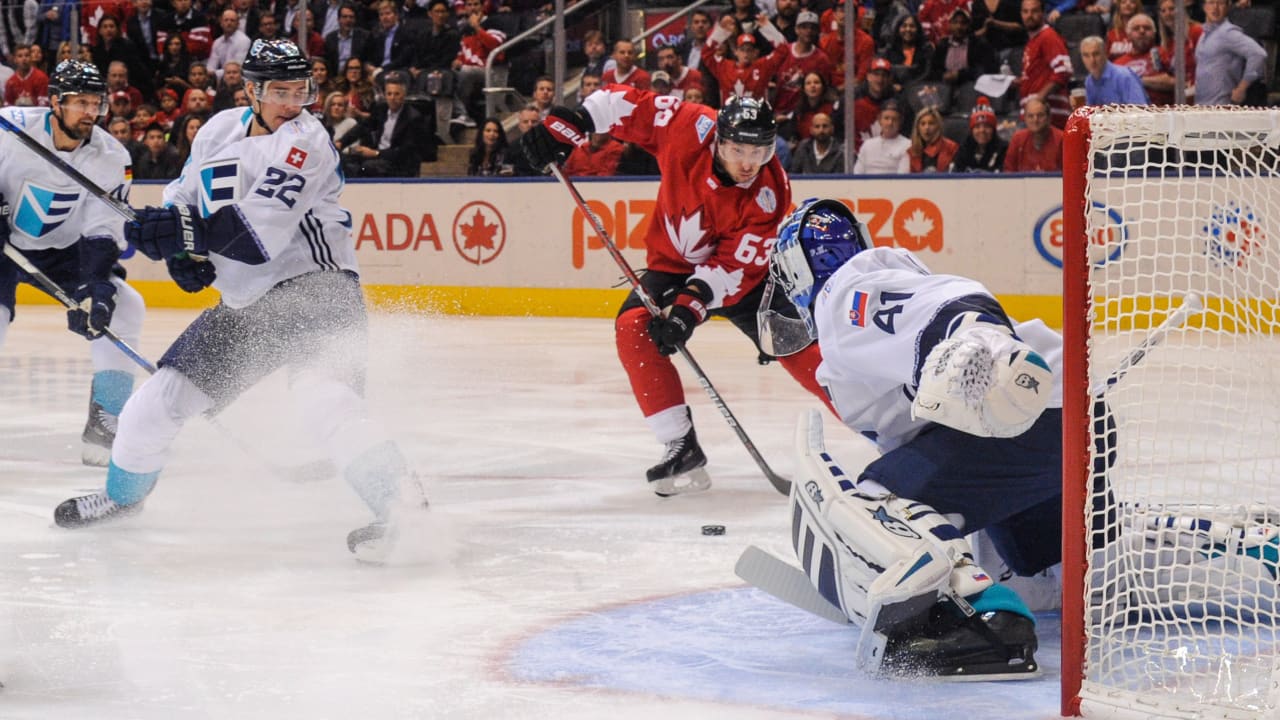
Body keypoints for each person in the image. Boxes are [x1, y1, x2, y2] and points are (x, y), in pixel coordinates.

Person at [52, 39, 428, 563]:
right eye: (280, 92)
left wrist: (184, 234)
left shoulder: (306, 142)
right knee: (152, 406)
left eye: (301, 91)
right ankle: (123, 497)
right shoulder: (218, 129)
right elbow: (183, 197)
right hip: (246, 304)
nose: (292, 103)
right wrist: (181, 253)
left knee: (326, 401)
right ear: (251, 90)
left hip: (315, 291)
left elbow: (257, 236)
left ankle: (404, 511)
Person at [758, 197, 1062, 678]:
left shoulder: (844, 292)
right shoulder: (865, 303)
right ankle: (1097, 568)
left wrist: (980, 341)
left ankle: (979, 628)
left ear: (796, 270)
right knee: (1029, 562)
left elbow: (950, 306)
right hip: (1065, 431)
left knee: (879, 502)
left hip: (1029, 418)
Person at [521, 88, 831, 496]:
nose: (748, 163)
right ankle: (680, 444)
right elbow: (626, 105)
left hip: (754, 281)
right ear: (718, 140)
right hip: (672, 265)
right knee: (633, 327)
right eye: (737, 150)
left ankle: (888, 437)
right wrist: (573, 123)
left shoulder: (771, 192)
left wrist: (689, 308)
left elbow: (734, 268)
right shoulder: (689, 126)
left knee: (803, 350)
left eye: (759, 152)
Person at [0, 60, 142, 467]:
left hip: (64, 252)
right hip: (4, 244)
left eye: (96, 103)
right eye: (81, 102)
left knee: (126, 307)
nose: (90, 112)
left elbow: (103, 226)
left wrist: (96, 285)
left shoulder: (112, 156)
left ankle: (104, 424)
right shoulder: (9, 128)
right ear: (55, 102)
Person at [1193, 0, 1267, 106]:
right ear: (1204, 6)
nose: (1215, 8)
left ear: (1228, 7)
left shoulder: (1228, 32)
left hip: (1221, 106)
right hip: (1201, 104)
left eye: (1220, 3)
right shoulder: (1203, 35)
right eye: (1211, 2)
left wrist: (1242, 87)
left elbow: (1258, 54)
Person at [1016, 0, 1072, 129]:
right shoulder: (1033, 41)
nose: (1029, 15)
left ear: (1043, 12)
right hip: (1034, 115)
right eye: (1025, 11)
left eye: (1034, 11)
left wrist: (1038, 99)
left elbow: (1064, 70)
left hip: (1048, 116)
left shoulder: (1048, 36)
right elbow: (1040, 76)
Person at [1080, 35, 1148, 105]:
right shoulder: (1089, 81)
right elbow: (1090, 110)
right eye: (1086, 55)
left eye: (1096, 54)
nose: (1092, 60)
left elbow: (1140, 108)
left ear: (1105, 53)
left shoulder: (1124, 76)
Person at [1004, 96, 1062, 172]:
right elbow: (1008, 172)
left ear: (1049, 118)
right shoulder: (1018, 139)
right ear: (1024, 119)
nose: (1035, 120)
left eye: (1040, 115)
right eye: (1030, 116)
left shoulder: (1061, 139)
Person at [949, 98, 1007, 172]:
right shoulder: (963, 148)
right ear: (971, 130)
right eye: (977, 127)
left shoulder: (1003, 149)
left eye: (987, 126)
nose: (982, 130)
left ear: (993, 130)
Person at [853, 100, 910, 173]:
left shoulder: (907, 145)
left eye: (894, 119)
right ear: (880, 120)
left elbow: (903, 176)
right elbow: (857, 173)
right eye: (886, 118)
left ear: (900, 122)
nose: (890, 123)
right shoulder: (867, 144)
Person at [908, 107, 959, 173]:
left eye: (931, 123)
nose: (927, 127)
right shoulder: (911, 151)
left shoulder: (951, 148)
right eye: (923, 124)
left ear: (938, 126)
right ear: (918, 128)